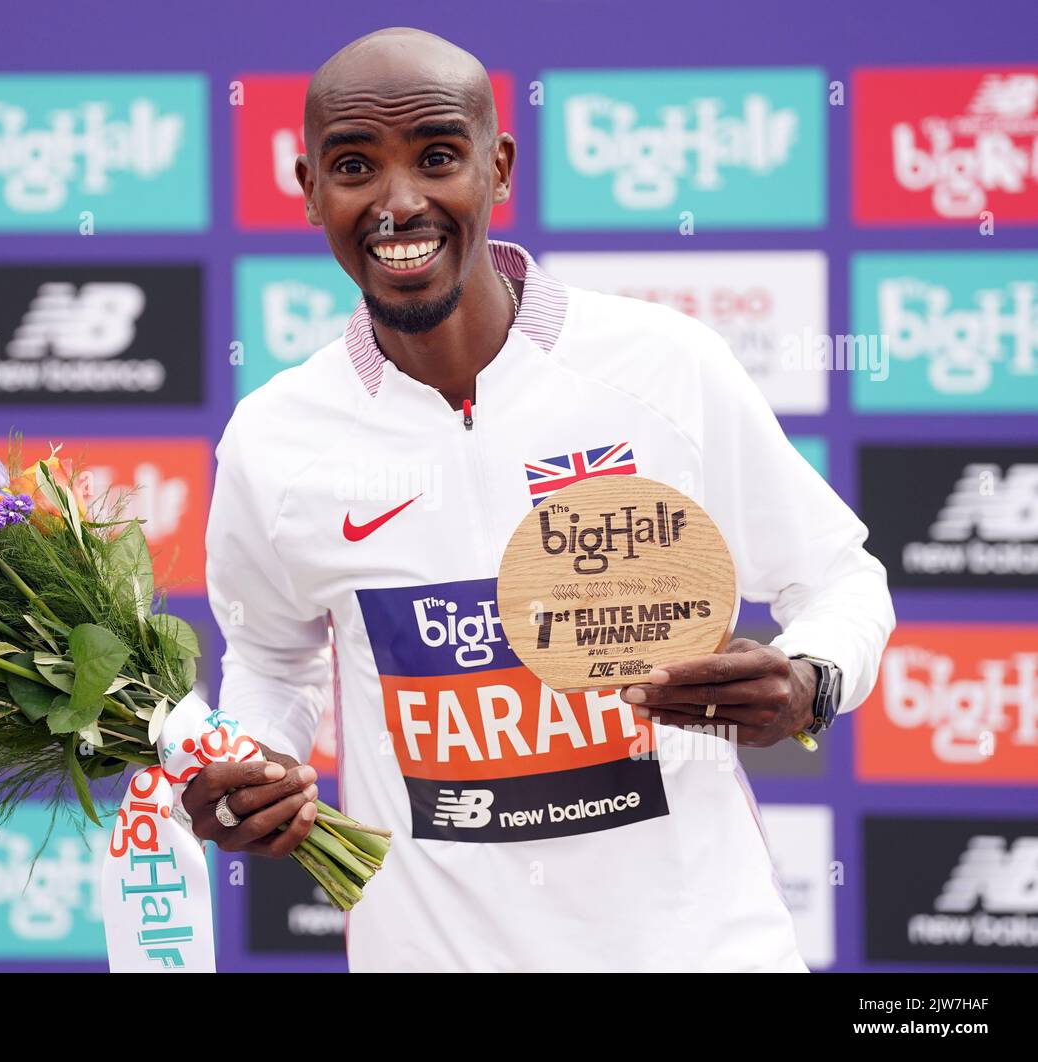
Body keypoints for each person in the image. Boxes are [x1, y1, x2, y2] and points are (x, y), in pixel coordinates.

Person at [186, 26, 895, 972]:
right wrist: (246, 772)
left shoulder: (662, 368)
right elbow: (272, 663)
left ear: (499, 166)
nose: (400, 203)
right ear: (310, 189)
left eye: (438, 156)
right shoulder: (277, 437)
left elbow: (839, 580)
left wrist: (811, 681)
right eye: (355, 166)